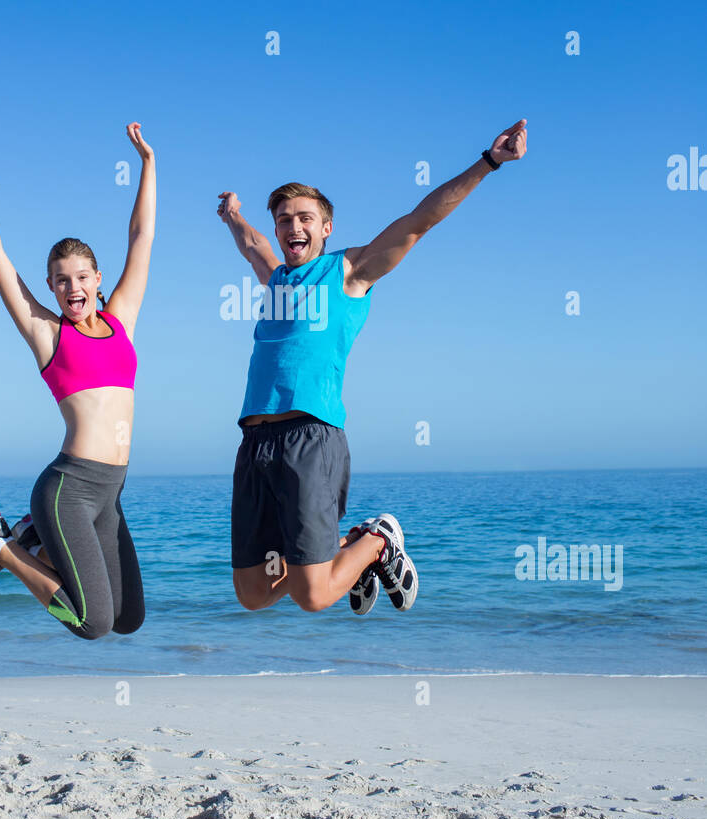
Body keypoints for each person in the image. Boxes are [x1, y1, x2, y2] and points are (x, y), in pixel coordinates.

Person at [217, 120, 527, 617]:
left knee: (313, 596)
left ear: (325, 227)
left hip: (309, 435)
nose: (292, 226)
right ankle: (348, 551)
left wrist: (488, 163)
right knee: (254, 595)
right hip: (254, 444)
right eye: (283, 219)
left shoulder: (348, 271)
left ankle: (377, 540)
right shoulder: (275, 280)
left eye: (304, 218)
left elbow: (418, 221)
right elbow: (252, 244)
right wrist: (233, 215)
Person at [0, 124, 155, 641]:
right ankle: (1, 548)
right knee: (91, 623)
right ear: (51, 286)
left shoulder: (122, 318)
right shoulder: (48, 334)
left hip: (111, 492)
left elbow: (142, 236)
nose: (72, 287)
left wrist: (147, 163)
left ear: (98, 280)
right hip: (69, 489)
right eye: (60, 279)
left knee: (128, 620)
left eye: (81, 277)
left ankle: (29, 539)